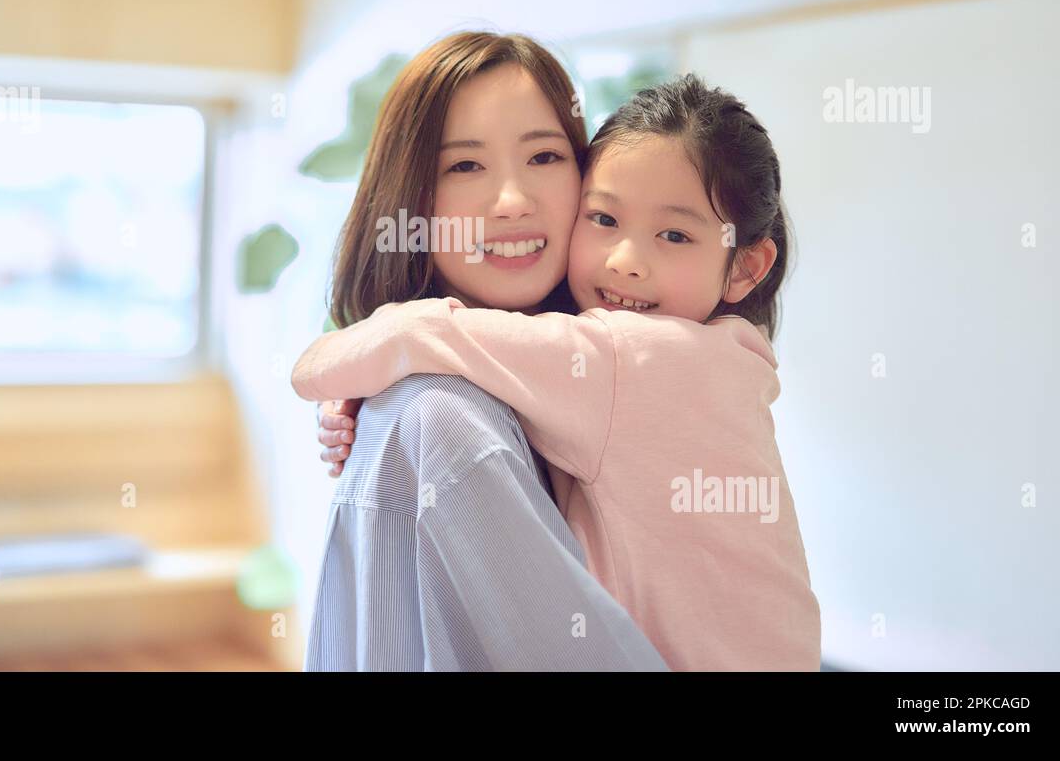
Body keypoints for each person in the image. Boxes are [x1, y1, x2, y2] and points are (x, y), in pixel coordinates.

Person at [297, 75, 821, 670]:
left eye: (674, 234)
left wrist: (339, 371)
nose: (625, 262)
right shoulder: (720, 355)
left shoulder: (634, 358)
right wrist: (369, 386)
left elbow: (427, 335)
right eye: (603, 220)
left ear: (745, 267)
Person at [303, 30, 667, 670]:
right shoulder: (448, 418)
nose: (513, 201)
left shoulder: (576, 374)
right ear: (410, 199)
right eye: (464, 166)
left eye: (546, 157)